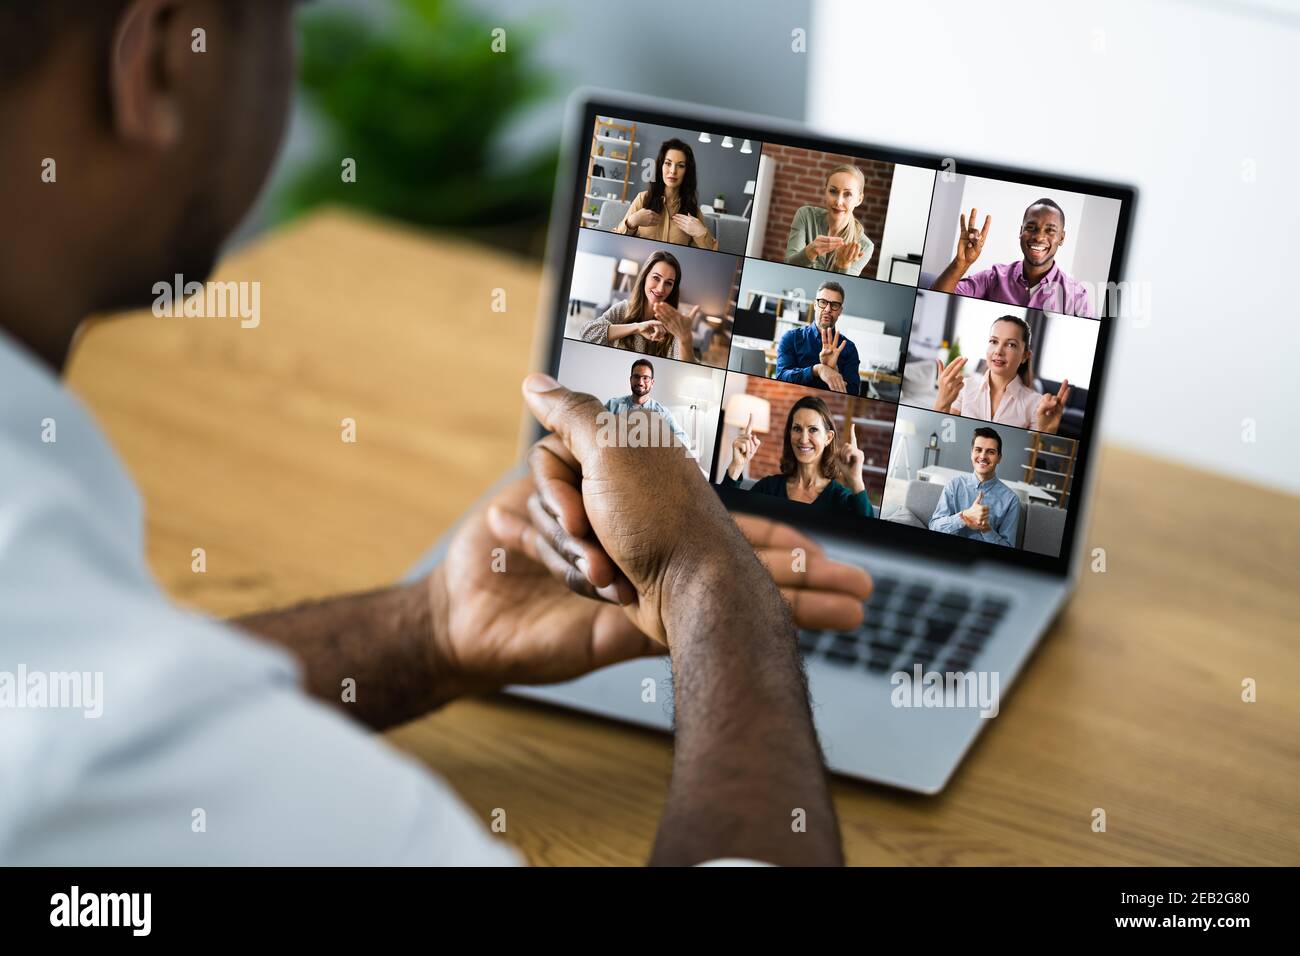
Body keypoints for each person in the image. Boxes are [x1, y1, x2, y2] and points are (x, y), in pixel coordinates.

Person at [0, 0, 875, 866]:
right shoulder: (109, 769)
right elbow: (122, 726)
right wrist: (707, 577)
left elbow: (121, 691)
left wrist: (429, 628)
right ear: (162, 56)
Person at [930, 200, 1095, 318]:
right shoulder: (993, 277)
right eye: (1031, 228)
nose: (1038, 237)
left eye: (1050, 230)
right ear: (1020, 231)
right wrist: (961, 263)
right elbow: (937, 300)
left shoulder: (1077, 297)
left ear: (1062, 238)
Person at [719, 396, 873, 517]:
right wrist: (736, 467)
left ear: (828, 438)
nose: (803, 439)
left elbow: (870, 542)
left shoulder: (840, 499)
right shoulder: (768, 487)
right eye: (797, 429)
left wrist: (856, 481)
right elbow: (723, 519)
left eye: (813, 430)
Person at [933, 315, 1070, 433]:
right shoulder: (964, 387)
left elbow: (1032, 457)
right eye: (994, 341)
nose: (998, 351)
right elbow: (944, 437)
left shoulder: (1036, 404)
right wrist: (941, 403)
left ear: (1024, 356)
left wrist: (1047, 432)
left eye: (1011, 345)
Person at [580, 250, 700, 364]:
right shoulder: (623, 309)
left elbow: (686, 365)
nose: (660, 289)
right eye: (656, 278)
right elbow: (587, 334)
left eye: (668, 283)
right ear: (645, 277)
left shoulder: (673, 325)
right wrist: (636, 327)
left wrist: (685, 340)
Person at [611, 137, 718, 251]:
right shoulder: (643, 199)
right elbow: (615, 240)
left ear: (687, 172)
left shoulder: (693, 211)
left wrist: (701, 233)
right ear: (660, 167)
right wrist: (632, 221)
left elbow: (712, 254)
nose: (673, 171)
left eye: (680, 165)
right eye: (668, 163)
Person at [927, 428, 1020, 547]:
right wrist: (964, 516)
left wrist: (986, 529)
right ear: (972, 453)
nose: (983, 456)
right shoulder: (954, 485)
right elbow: (934, 526)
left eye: (990, 452)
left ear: (999, 457)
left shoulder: (1012, 501)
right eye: (978, 450)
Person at [783, 164, 875, 275]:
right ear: (825, 191)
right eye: (833, 191)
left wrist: (842, 266)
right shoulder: (806, 215)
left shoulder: (864, 246)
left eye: (848, 194)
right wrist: (810, 251)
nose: (838, 201)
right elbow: (787, 268)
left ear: (859, 199)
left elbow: (839, 289)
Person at [773, 280, 861, 395]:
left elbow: (854, 393)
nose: (828, 309)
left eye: (834, 305)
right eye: (823, 302)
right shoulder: (791, 338)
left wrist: (835, 372)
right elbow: (781, 377)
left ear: (840, 311)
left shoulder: (849, 348)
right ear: (815, 305)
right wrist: (817, 370)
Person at [602, 358, 693, 452]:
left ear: (652, 382)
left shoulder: (662, 412)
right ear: (630, 380)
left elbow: (685, 440)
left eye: (645, 378)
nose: (640, 382)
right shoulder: (612, 405)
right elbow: (594, 428)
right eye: (636, 377)